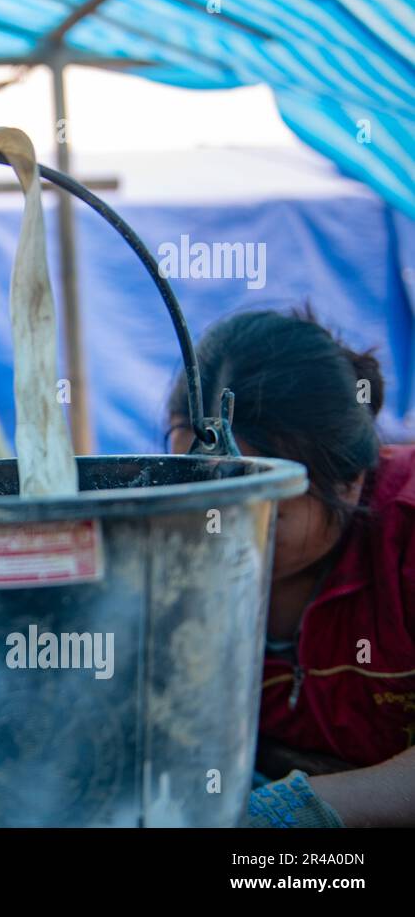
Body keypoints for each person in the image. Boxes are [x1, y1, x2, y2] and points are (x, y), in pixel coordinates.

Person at [166, 309, 415, 827]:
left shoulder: (406, 528)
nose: (217, 526)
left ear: (349, 479)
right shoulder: (159, 546)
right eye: (198, 493)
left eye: (262, 506)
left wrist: (300, 812)